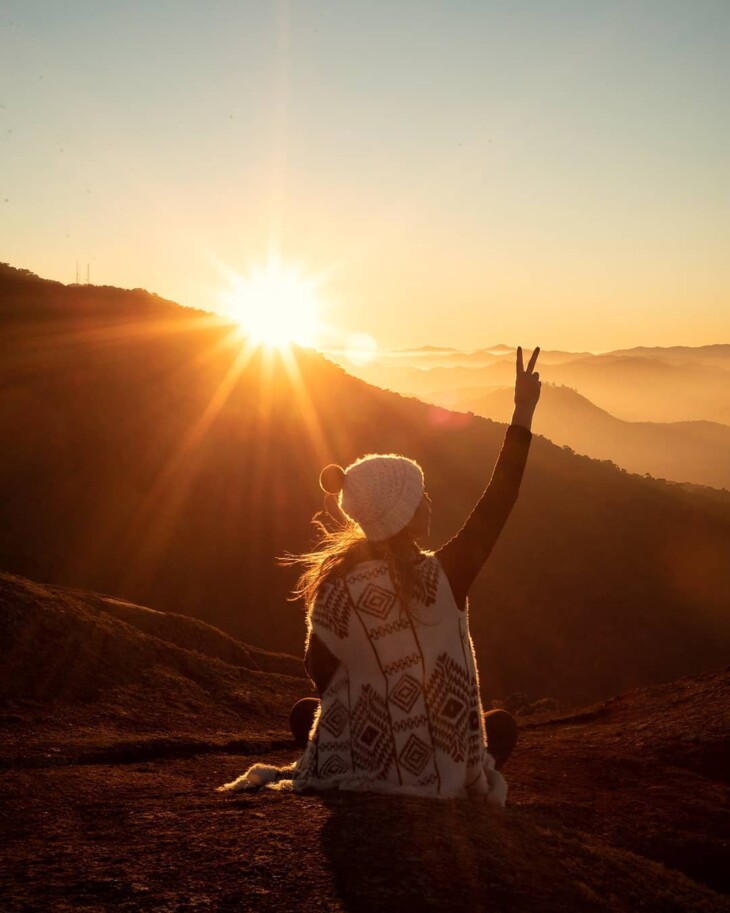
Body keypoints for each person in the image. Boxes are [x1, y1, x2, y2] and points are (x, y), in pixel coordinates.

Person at [218, 346, 541, 802]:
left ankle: (359, 755)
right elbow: (498, 502)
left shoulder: (334, 588)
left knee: (307, 713)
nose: (428, 502)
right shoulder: (446, 575)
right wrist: (522, 411)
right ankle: (441, 759)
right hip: (436, 766)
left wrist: (384, 687)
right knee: (498, 727)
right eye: (419, 497)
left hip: (371, 753)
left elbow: (322, 675)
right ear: (404, 516)